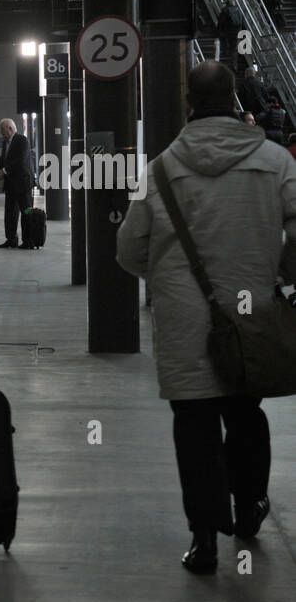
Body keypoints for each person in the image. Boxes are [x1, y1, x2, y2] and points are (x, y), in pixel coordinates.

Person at [116, 60, 296, 574]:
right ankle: (250, 507)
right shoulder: (276, 160)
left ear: (189, 102)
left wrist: (166, 279)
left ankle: (204, 540)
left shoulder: (158, 169)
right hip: (251, 314)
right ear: (235, 96)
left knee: (194, 426)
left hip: (183, 321)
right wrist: (277, 271)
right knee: (244, 412)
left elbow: (129, 250)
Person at [0, 118, 35, 249]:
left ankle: (28, 241)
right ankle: (11, 239)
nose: (1, 133)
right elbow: (5, 160)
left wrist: (4, 170)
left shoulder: (22, 140)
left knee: (27, 212)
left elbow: (20, 160)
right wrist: (0, 171)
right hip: (11, 184)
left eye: (3, 130)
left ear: (10, 129)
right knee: (10, 213)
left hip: (23, 184)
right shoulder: (6, 142)